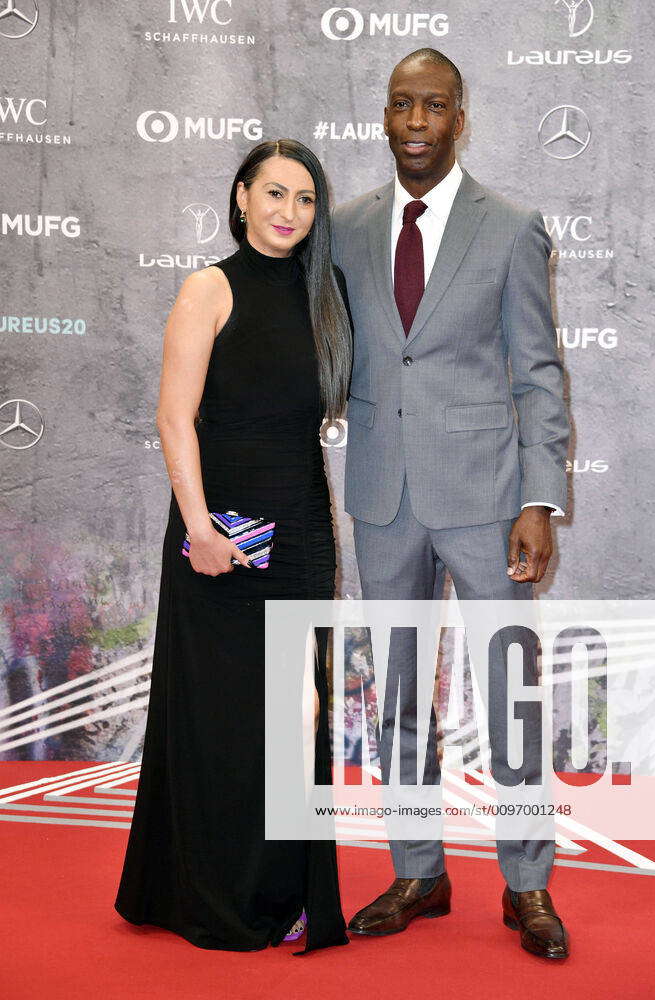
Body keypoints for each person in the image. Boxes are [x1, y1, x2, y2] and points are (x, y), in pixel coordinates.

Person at [331, 49, 570, 959]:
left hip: (486, 499)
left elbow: (538, 376)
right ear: (385, 118)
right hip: (382, 499)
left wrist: (539, 499)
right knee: (395, 695)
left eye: (435, 106)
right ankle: (418, 869)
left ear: (458, 118)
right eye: (402, 105)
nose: (418, 121)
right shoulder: (346, 230)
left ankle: (527, 884)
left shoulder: (508, 227)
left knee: (509, 693)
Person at [114, 139, 352, 954]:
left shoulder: (326, 298)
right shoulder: (207, 287)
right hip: (219, 536)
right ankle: (209, 893)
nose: (290, 212)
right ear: (242, 197)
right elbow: (174, 417)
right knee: (220, 719)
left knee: (293, 716)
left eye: (306, 199)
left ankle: (283, 889)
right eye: (275, 194)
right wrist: (202, 526)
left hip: (303, 531)